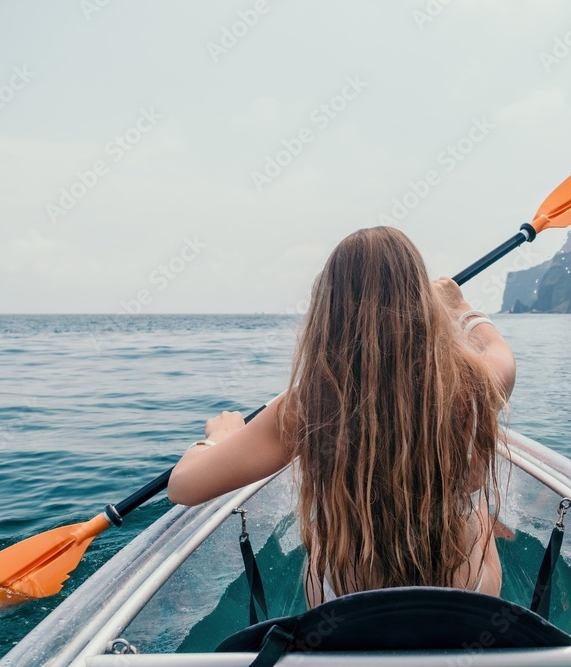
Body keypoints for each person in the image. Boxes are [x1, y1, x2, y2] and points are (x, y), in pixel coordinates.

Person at [168, 226, 516, 607]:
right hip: (466, 595)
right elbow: (496, 347)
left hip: (347, 604)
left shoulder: (307, 404)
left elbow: (183, 486)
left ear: (328, 311)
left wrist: (220, 437)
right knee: (478, 510)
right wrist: (460, 308)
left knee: (321, 531)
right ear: (422, 303)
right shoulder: (476, 381)